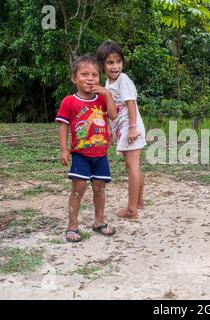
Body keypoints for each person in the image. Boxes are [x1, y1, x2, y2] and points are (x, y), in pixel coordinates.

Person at [56, 55, 118, 242]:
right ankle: (72, 226)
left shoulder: (101, 99)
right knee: (78, 189)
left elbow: (113, 115)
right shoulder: (69, 101)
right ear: (74, 78)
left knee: (99, 189)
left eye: (94, 74)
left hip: (100, 154)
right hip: (81, 155)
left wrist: (107, 94)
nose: (90, 78)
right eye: (84, 74)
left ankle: (99, 222)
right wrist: (64, 149)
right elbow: (63, 125)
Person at [96, 41, 146, 220]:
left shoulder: (123, 80)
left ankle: (132, 210)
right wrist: (109, 129)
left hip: (131, 128)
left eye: (118, 61)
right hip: (124, 128)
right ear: (102, 65)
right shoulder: (109, 83)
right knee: (133, 166)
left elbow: (131, 103)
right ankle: (139, 202)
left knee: (131, 166)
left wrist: (132, 129)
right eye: (110, 62)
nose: (115, 66)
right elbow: (113, 110)